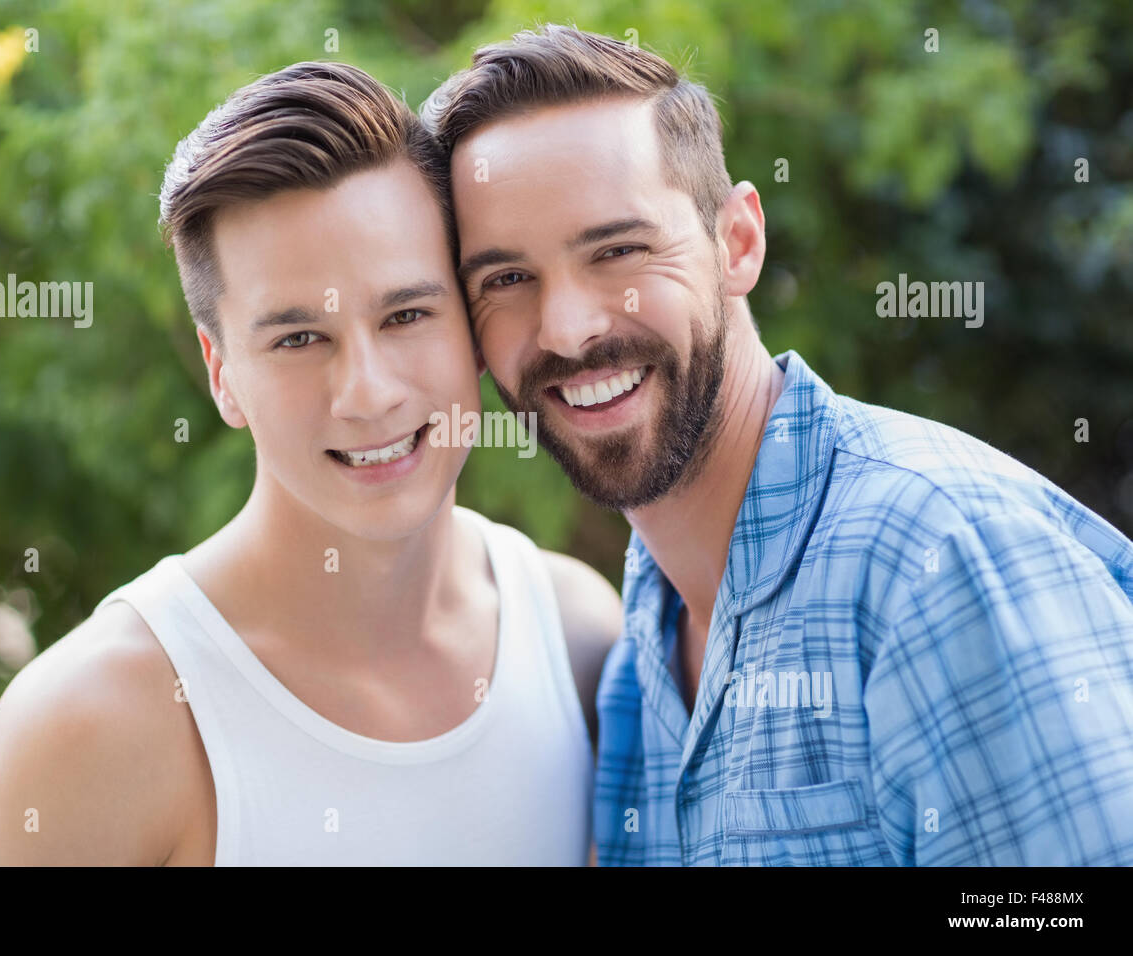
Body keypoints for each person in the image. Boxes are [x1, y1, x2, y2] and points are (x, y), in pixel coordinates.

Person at [424, 24, 1133, 865]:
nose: (570, 330)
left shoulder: (937, 557)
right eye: (507, 279)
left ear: (738, 242)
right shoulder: (634, 667)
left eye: (619, 250)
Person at [0, 62, 622, 866]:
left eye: (407, 314)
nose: (367, 393)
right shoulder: (94, 720)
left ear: (472, 324)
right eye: (298, 339)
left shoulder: (577, 636)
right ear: (221, 374)